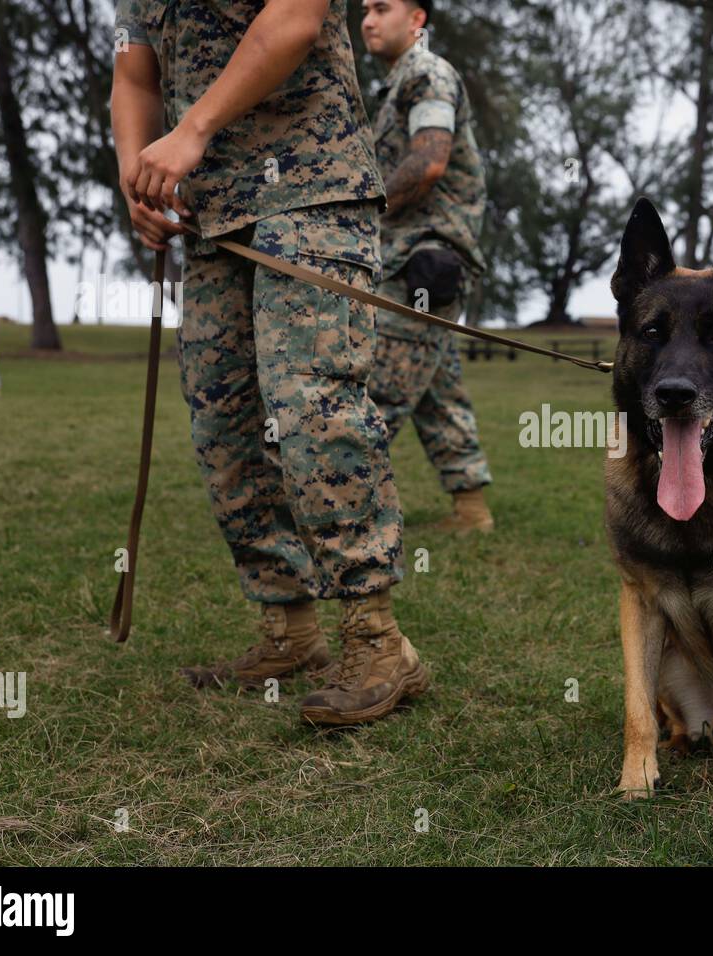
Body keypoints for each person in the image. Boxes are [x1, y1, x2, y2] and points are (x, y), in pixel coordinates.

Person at [111, 0, 429, 726]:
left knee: (310, 407)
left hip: (311, 189)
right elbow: (134, 75)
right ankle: (289, 630)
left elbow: (295, 17)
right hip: (212, 215)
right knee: (225, 428)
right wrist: (136, 171)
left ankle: (378, 641)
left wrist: (189, 133)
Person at [360, 0, 495, 533]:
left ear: (417, 19)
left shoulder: (426, 74)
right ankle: (471, 509)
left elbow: (429, 162)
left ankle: (338, 510)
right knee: (437, 387)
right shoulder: (398, 83)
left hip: (425, 258)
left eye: (382, 7)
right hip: (411, 255)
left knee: (380, 391)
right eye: (364, 9)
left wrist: (356, 211)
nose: (367, 19)